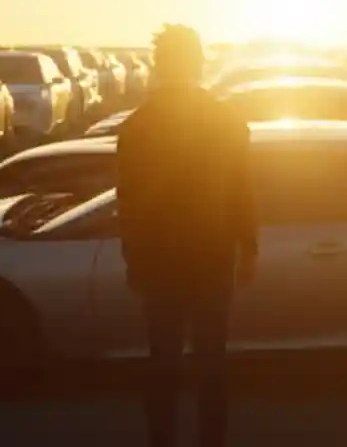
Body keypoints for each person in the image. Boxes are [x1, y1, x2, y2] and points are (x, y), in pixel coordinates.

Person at [117, 24, 256, 447]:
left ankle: (162, 439)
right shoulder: (226, 119)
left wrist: (134, 261)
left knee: (163, 361)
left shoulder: (137, 127)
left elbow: (129, 204)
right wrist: (247, 248)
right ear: (198, 63)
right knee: (211, 363)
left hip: (159, 263)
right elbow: (242, 191)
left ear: (159, 65)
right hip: (213, 259)